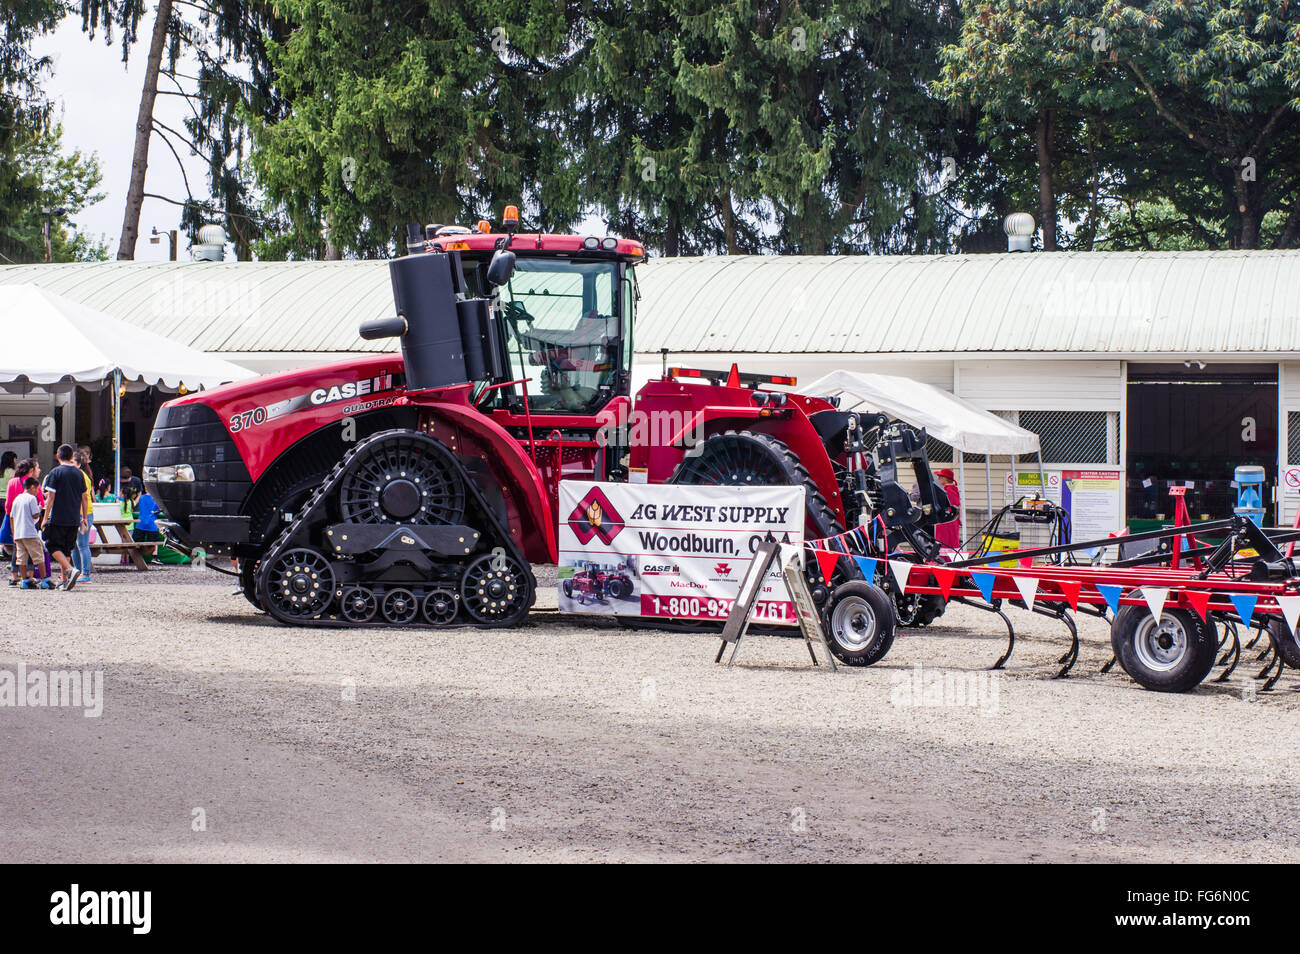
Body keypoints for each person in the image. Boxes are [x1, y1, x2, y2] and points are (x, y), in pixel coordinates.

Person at [41, 444, 88, 590]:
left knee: (52, 545)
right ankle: (64, 580)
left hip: (59, 516)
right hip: (74, 517)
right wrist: (84, 517)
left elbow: (51, 497)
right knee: (67, 549)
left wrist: (45, 517)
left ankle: (69, 570)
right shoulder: (79, 473)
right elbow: (84, 497)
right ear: (71, 457)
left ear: (58, 456)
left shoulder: (56, 472)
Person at [11, 476, 53, 589]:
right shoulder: (31, 498)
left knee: (21, 558)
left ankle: (25, 580)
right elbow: (35, 515)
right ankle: (45, 580)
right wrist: (39, 508)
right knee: (38, 556)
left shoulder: (17, 499)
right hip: (29, 532)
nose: (37, 492)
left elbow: (12, 516)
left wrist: (14, 532)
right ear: (32, 487)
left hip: (19, 533)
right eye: (37, 489)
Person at [5, 458, 42, 585]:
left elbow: (8, 505)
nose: (39, 470)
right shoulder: (34, 484)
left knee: (18, 547)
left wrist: (11, 519)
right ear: (31, 470)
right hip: (31, 520)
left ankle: (14, 576)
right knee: (32, 549)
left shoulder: (12, 482)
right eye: (37, 468)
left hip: (15, 519)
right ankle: (30, 576)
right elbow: (40, 501)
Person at [72, 450, 96, 583]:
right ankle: (77, 572)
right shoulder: (79, 475)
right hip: (78, 513)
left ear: (79, 464)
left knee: (82, 545)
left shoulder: (82, 477)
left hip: (83, 514)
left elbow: (85, 498)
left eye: (72, 462)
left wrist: (84, 517)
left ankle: (85, 574)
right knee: (75, 545)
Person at [129, 485, 162, 561]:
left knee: (138, 542)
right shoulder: (156, 499)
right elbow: (158, 510)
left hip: (141, 522)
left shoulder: (141, 498)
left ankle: (135, 557)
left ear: (145, 489)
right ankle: (154, 557)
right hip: (152, 523)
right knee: (154, 542)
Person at [933, 467, 962, 552]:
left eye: (940, 477)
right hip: (950, 519)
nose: (938, 479)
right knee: (949, 540)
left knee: (944, 541)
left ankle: (944, 559)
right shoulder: (952, 489)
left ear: (945, 479)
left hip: (946, 520)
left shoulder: (947, 490)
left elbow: (951, 505)